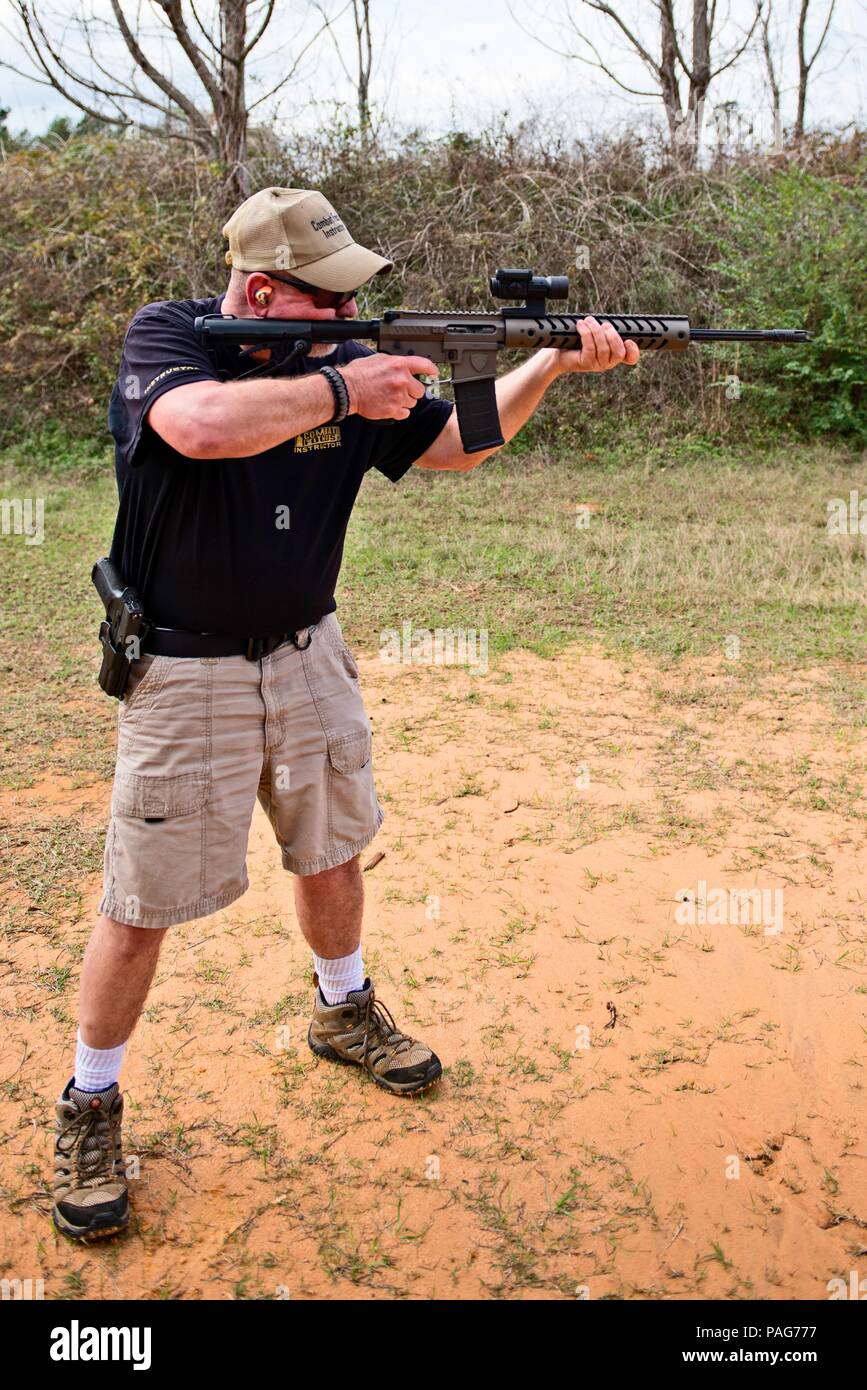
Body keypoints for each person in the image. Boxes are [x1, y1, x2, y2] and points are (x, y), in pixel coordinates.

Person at [52, 186, 640, 1241]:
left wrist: (550, 361)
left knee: (332, 850)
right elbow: (196, 425)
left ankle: (343, 1007)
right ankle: (91, 1101)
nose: (348, 319)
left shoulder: (345, 373)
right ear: (262, 290)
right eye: (327, 303)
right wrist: (341, 391)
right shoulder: (175, 336)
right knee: (140, 902)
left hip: (308, 649)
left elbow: (462, 438)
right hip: (186, 672)